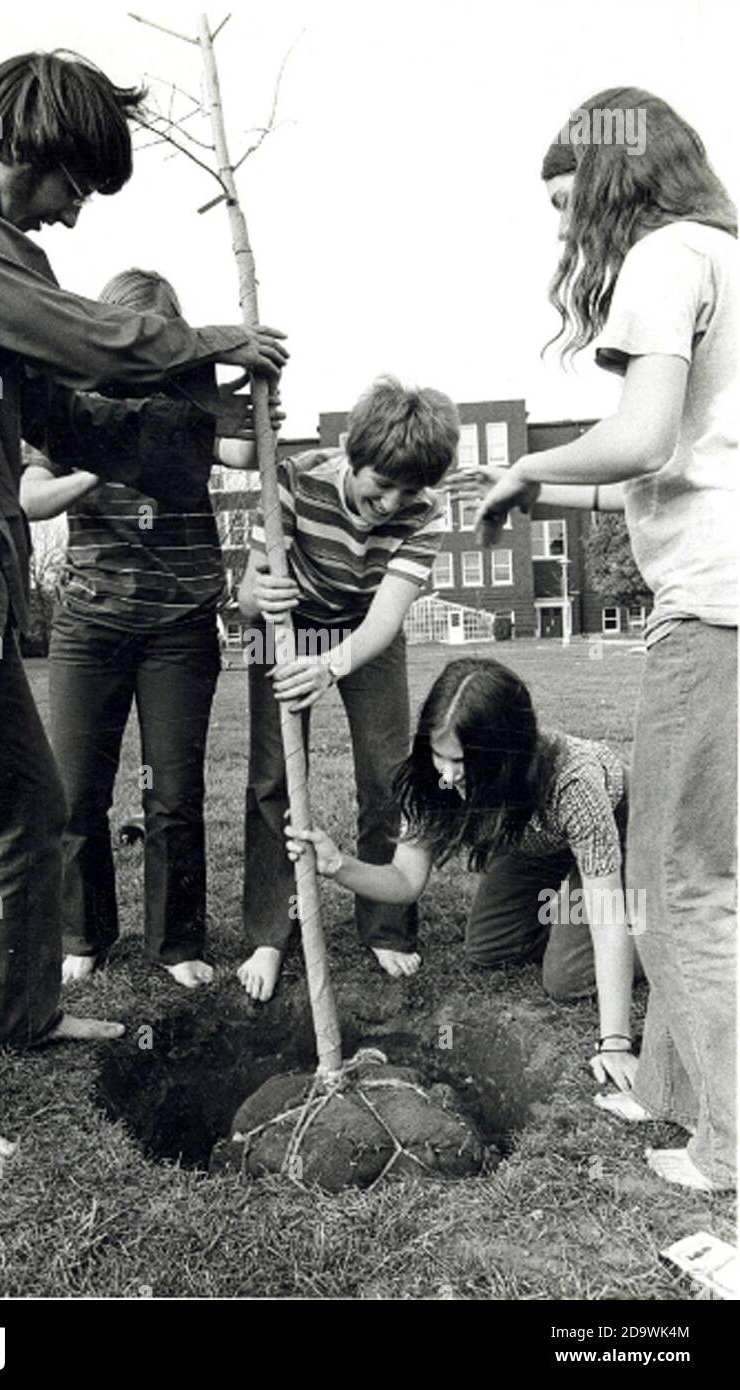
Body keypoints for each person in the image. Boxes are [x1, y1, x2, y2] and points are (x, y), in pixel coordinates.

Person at [0, 51, 286, 1169]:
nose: (73, 214)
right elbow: (82, 335)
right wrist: (204, 342)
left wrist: (204, 415)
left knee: (28, 805)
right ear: (24, 142)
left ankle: (17, 1013)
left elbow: (72, 412)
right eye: (70, 187)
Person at [472, 88, 736, 1191]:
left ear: (616, 180)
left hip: (712, 612)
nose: (565, 231)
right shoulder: (724, 251)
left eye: (566, 202)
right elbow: (686, 465)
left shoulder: (663, 255)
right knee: (705, 870)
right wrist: (545, 501)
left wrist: (532, 463)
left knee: (679, 884)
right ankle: (681, 1098)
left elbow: (639, 438)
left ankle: (724, 1142)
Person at [21, 268, 281, 990]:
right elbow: (31, 495)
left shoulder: (189, 401)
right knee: (77, 793)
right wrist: (103, 467)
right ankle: (85, 935)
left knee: (172, 794)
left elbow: (245, 453)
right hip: (89, 623)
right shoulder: (75, 405)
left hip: (180, 625)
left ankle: (177, 944)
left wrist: (257, 410)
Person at [287, 657, 640, 1092]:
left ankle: (652, 929)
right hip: (534, 841)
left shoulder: (573, 783)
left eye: (463, 761)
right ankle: (567, 908)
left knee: (565, 978)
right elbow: (405, 881)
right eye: (440, 755)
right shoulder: (437, 779)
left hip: (619, 824)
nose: (449, 775)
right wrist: (337, 864)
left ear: (506, 754)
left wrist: (616, 1042)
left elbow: (605, 917)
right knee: (490, 947)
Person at [237, 377, 460, 1002]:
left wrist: (329, 666)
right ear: (349, 454)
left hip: (367, 631)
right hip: (291, 623)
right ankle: (268, 933)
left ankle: (386, 925)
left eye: (407, 490)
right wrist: (261, 598)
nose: (390, 503)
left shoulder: (425, 512)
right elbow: (247, 596)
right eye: (379, 484)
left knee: (390, 771)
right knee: (274, 775)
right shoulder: (290, 481)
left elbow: (385, 620)